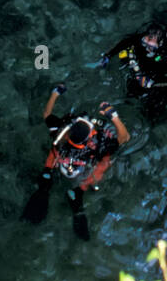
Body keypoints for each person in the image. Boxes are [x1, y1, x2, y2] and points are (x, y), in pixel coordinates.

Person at [22, 83, 129, 240]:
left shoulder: (61, 132)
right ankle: (77, 195)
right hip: (79, 171)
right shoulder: (97, 144)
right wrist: (114, 116)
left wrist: (55, 93)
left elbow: (46, 114)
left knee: (53, 154)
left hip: (61, 163)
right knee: (106, 159)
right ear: (88, 139)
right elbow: (125, 137)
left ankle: (46, 180)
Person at [96, 23, 167, 117]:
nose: (146, 48)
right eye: (144, 43)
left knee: (154, 109)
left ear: (159, 45)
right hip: (145, 69)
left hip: (160, 75)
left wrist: (153, 83)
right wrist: (108, 55)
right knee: (132, 91)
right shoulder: (141, 39)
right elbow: (126, 42)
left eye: (151, 47)